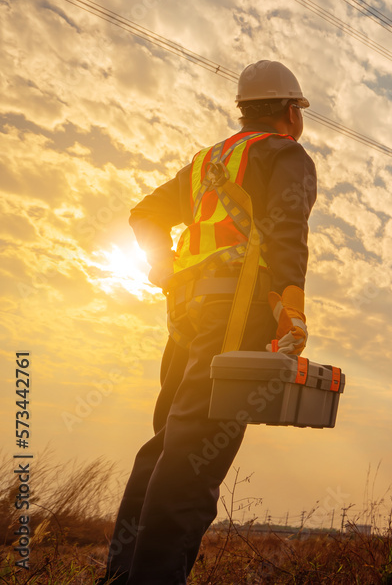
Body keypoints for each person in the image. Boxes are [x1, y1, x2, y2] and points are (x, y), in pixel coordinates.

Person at [101, 60, 318, 584]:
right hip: (235, 316)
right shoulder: (287, 154)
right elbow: (287, 235)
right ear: (291, 110)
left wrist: (165, 269)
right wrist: (290, 309)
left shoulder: (207, 161)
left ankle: (119, 577)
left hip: (187, 317)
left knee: (166, 445)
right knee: (195, 456)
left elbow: (145, 213)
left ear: (244, 110)